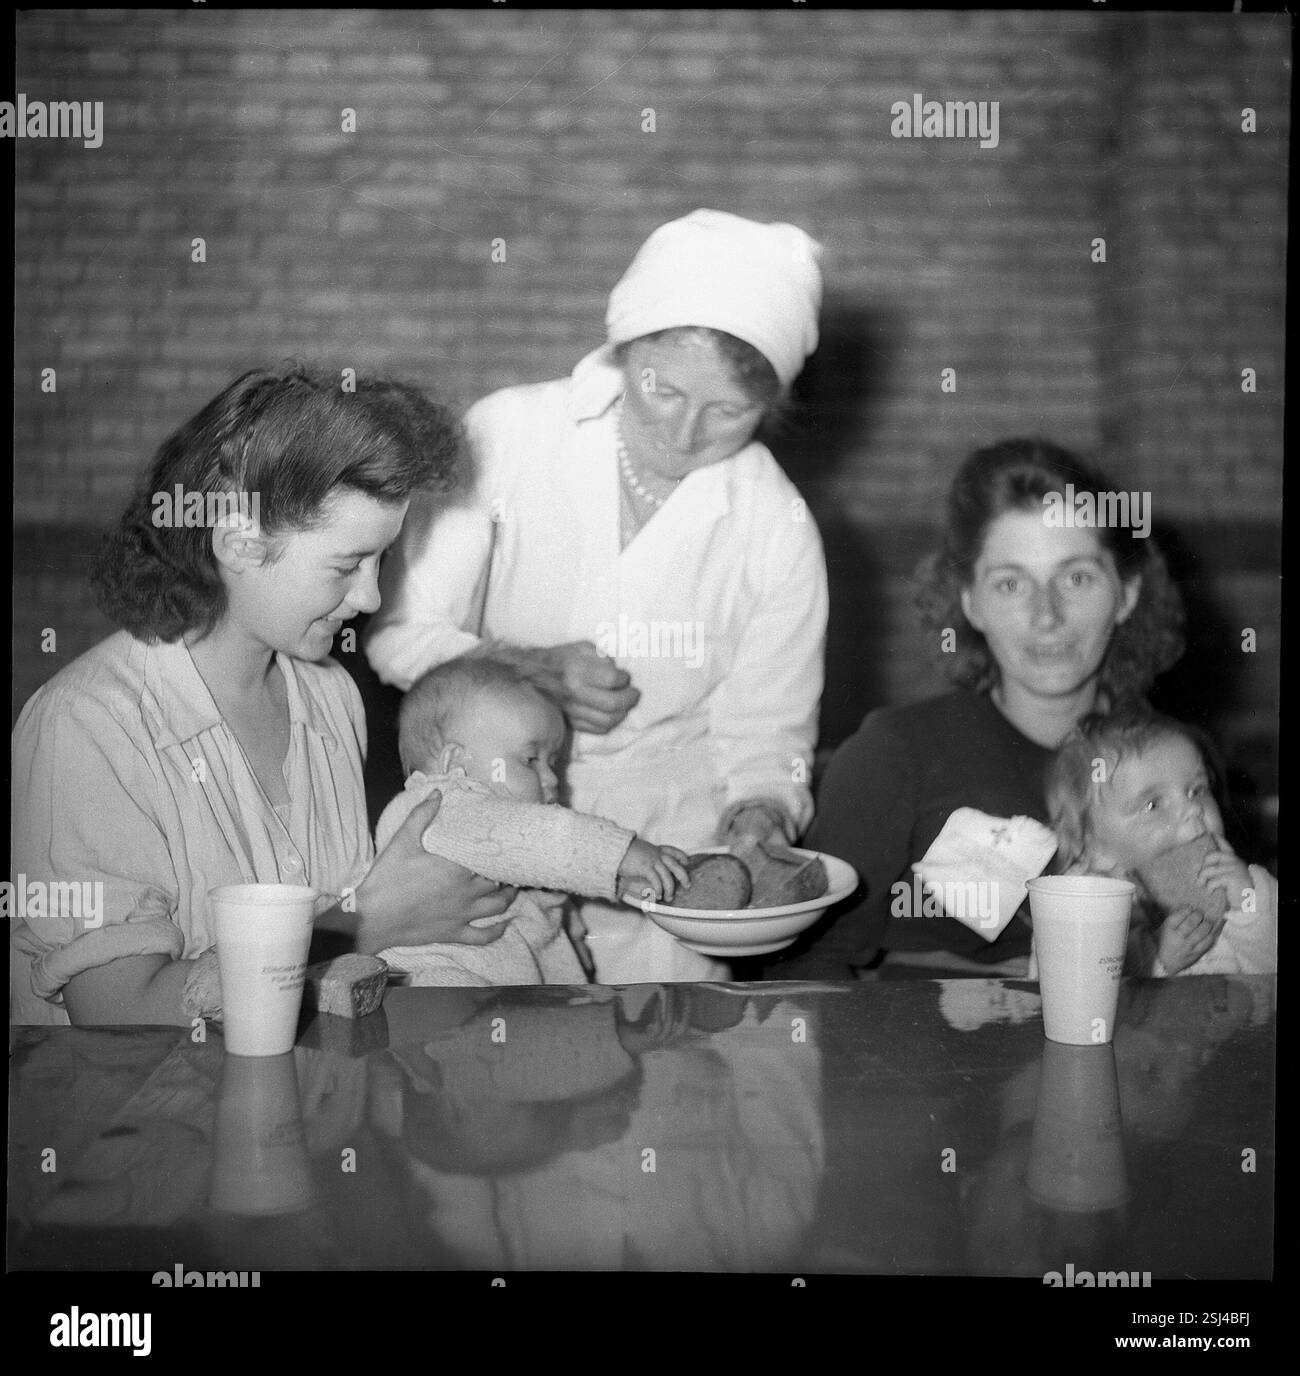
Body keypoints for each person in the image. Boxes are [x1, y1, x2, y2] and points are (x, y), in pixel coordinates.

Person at [366, 208, 829, 982]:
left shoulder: (775, 524)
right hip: (500, 839)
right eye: (665, 390)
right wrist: (527, 669)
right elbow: (401, 631)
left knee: (670, 1074)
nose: (684, 436)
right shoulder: (509, 435)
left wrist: (761, 815)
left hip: (676, 861)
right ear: (624, 351)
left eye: (728, 412)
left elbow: (768, 736)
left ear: (772, 404)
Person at [10, 366, 519, 1026]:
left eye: (381, 562)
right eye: (345, 566)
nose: (369, 597)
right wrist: (365, 922)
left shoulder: (330, 694)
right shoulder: (88, 725)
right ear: (238, 545)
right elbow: (115, 1011)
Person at [768, 437, 1186, 979]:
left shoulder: (1176, 766)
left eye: (1077, 577)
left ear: (1127, 594)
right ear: (970, 602)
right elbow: (809, 967)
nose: (1046, 615)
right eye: (1011, 584)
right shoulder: (896, 754)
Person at [374, 655, 689, 986]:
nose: (551, 779)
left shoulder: (509, 846)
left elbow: (539, 883)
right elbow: (528, 838)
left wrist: (572, 938)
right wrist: (617, 854)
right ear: (455, 762)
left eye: (554, 761)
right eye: (530, 760)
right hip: (434, 991)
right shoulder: (436, 805)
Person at [1044, 705, 1277, 976]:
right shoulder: (1076, 911)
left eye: (1197, 790)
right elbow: (1067, 1000)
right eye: (1153, 804)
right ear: (1095, 848)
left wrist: (1249, 907)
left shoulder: (1244, 887)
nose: (1194, 809)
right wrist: (1155, 960)